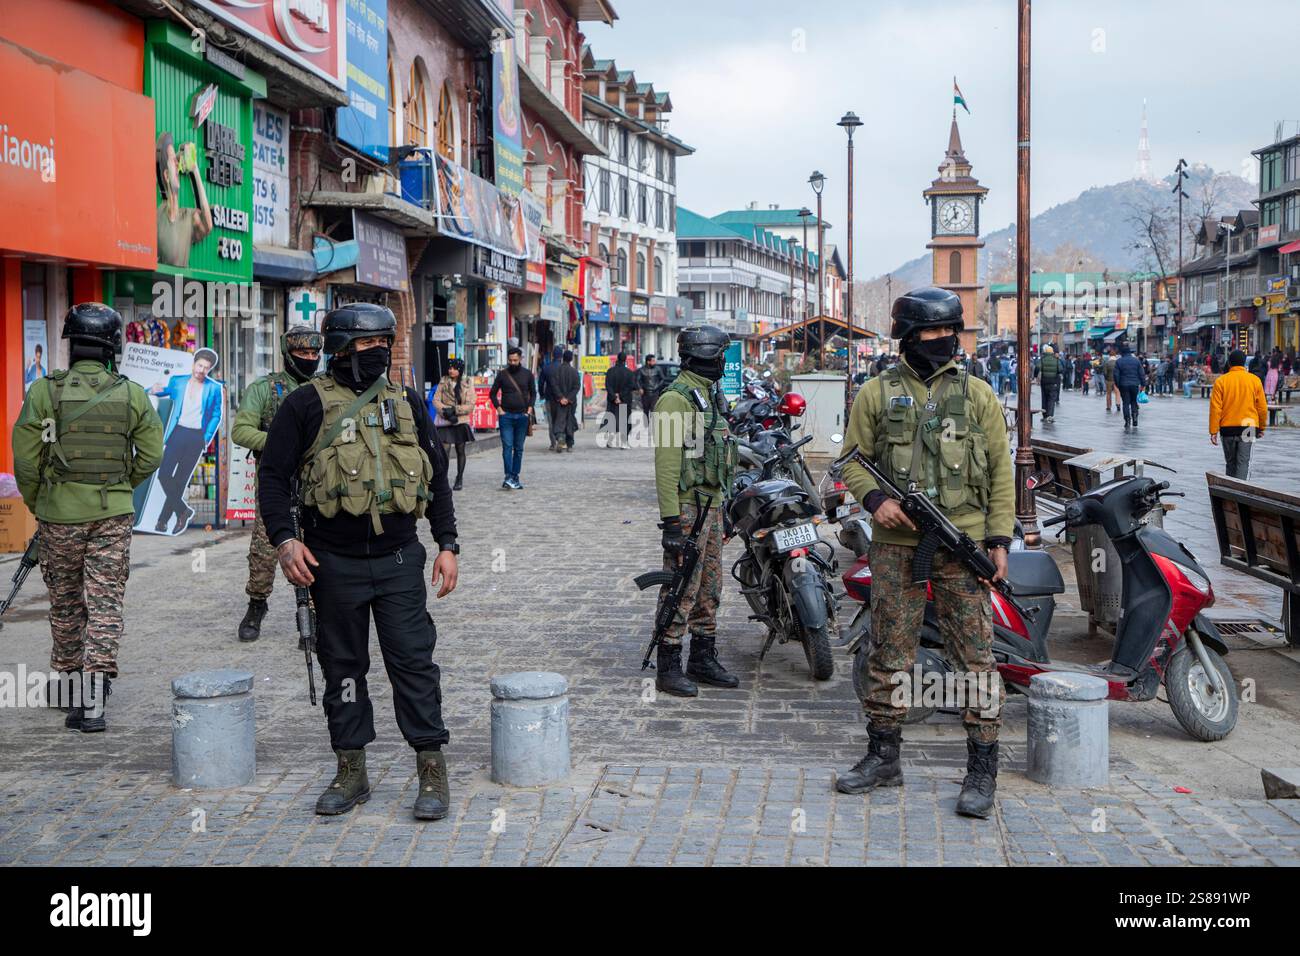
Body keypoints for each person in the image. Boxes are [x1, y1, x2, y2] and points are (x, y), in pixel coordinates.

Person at [258, 303, 459, 820]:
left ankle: (431, 771)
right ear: (342, 349)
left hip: (399, 560)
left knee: (414, 664)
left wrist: (447, 544)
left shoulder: (409, 402)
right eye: (369, 346)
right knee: (343, 669)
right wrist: (285, 540)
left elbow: (435, 479)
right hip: (332, 564)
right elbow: (274, 478)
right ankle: (351, 769)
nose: (380, 355)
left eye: (385, 345)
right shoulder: (303, 405)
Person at [836, 287, 1013, 819]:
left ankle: (982, 768)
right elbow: (850, 459)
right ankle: (882, 755)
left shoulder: (978, 393)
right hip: (896, 548)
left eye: (950, 332)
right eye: (934, 333)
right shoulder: (876, 392)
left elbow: (1002, 473)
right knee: (889, 651)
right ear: (909, 338)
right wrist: (874, 501)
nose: (944, 341)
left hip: (964, 545)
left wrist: (999, 540)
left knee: (976, 659)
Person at [10, 303, 164, 731]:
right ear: (112, 346)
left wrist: (40, 500)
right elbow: (152, 454)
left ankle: (71, 685)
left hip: (58, 514)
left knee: (65, 602)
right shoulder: (132, 393)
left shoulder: (46, 391)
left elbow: (25, 457)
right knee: (105, 600)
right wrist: (119, 486)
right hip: (112, 514)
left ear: (71, 344)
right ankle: (94, 699)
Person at [651, 326, 740, 697]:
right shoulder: (676, 399)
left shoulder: (708, 394)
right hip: (688, 509)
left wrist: (727, 506)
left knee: (709, 586)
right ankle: (668, 663)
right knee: (682, 584)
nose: (723, 362)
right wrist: (671, 522)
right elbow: (667, 466)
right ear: (706, 355)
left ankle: (702, 657)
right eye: (720, 355)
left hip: (712, 504)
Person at [230, 324, 323, 643]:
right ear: (288, 355)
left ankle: (309, 616)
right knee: (264, 550)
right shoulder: (265, 389)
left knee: (315, 550)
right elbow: (241, 430)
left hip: (315, 484)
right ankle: (256, 605)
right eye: (302, 354)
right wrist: (282, 442)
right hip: (276, 484)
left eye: (314, 353)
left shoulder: (325, 389)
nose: (310, 359)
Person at [150, 347, 223, 534]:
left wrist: (205, 438)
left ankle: (162, 521)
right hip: (177, 433)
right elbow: (161, 392)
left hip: (197, 437)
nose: (201, 370)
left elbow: (216, 415)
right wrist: (152, 389)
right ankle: (183, 510)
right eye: (199, 365)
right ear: (193, 364)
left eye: (206, 368)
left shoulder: (214, 388)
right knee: (164, 474)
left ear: (209, 370)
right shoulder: (177, 381)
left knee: (181, 480)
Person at [1209, 350, 1268, 480]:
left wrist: (1214, 431)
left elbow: (1215, 408)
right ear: (1244, 362)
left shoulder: (1221, 381)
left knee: (1230, 464)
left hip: (1227, 428)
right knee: (1243, 463)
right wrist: (1262, 427)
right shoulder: (1254, 380)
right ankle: (1240, 493)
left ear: (1229, 363)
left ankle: (1229, 494)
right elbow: (1262, 408)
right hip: (1248, 427)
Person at [489, 347, 536, 489]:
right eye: (510, 360)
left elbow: (533, 393)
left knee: (519, 448)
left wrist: (529, 410)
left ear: (520, 359)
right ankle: (508, 476)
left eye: (515, 360)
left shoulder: (527, 374)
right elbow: (492, 393)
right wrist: (499, 410)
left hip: (522, 416)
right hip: (506, 416)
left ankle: (515, 476)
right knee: (507, 447)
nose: (512, 362)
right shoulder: (502, 375)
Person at [432, 358, 475, 489]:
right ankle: (443, 478)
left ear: (460, 370)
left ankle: (459, 478)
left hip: (460, 421)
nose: (451, 370)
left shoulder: (467, 382)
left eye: (454, 368)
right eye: (450, 368)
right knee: (444, 450)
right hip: (445, 420)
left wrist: (455, 411)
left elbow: (470, 404)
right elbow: (435, 400)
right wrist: (446, 412)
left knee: (460, 449)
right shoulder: (443, 380)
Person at [547, 350, 581, 452]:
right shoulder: (574, 372)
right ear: (571, 359)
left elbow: (554, 385)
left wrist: (561, 398)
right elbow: (577, 387)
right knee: (569, 420)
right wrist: (568, 398)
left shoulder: (556, 371)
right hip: (571, 402)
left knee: (558, 420)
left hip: (557, 402)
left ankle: (560, 438)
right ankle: (569, 444)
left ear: (562, 358)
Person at [604, 352, 636, 449]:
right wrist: (620, 396)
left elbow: (607, 385)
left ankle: (610, 441)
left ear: (617, 359)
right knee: (624, 421)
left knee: (612, 419)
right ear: (625, 360)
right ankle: (624, 443)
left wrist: (614, 396)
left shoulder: (610, 371)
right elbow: (631, 386)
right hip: (625, 400)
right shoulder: (629, 373)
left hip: (612, 400)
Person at [537, 345, 563, 450]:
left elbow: (540, 383)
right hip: (562, 398)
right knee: (561, 419)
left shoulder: (546, 368)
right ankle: (561, 439)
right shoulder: (564, 368)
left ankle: (553, 443)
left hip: (549, 397)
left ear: (552, 355)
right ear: (561, 356)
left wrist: (542, 394)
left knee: (551, 420)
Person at [1115, 345, 1144, 429]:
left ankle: (1127, 421)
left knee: (1126, 403)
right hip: (1135, 385)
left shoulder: (1119, 362)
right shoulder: (1136, 361)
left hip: (1123, 385)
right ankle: (1135, 418)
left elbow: (1116, 375)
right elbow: (1141, 373)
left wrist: (1118, 384)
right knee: (1134, 402)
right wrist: (1143, 384)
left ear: (1122, 353)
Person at [635, 353, 663, 419]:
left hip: (655, 393)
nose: (654, 362)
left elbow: (662, 379)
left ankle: (653, 424)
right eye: (653, 361)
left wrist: (657, 386)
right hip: (645, 393)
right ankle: (647, 423)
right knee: (646, 410)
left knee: (654, 410)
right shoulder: (642, 370)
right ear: (648, 362)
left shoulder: (658, 369)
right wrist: (640, 388)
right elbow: (637, 380)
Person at [1038, 343, 1060, 423]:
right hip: (1053, 381)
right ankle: (1050, 415)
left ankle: (1044, 415)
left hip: (1044, 381)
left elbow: (1037, 367)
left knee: (1044, 398)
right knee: (1051, 399)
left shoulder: (1042, 359)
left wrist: (1035, 375)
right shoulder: (1056, 360)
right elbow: (1060, 369)